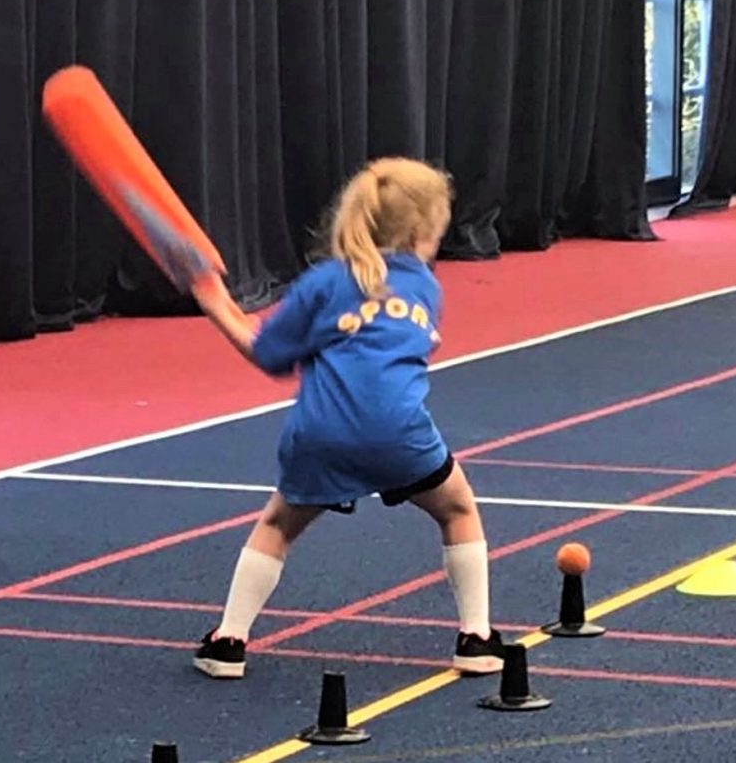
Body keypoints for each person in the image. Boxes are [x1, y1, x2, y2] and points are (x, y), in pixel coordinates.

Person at [186, 157, 505, 679]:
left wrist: (218, 304)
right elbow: (406, 342)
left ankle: (228, 643)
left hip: (321, 432)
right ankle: (476, 639)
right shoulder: (425, 285)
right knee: (457, 511)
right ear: (425, 231)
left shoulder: (324, 283)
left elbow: (268, 355)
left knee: (277, 524)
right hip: (398, 434)